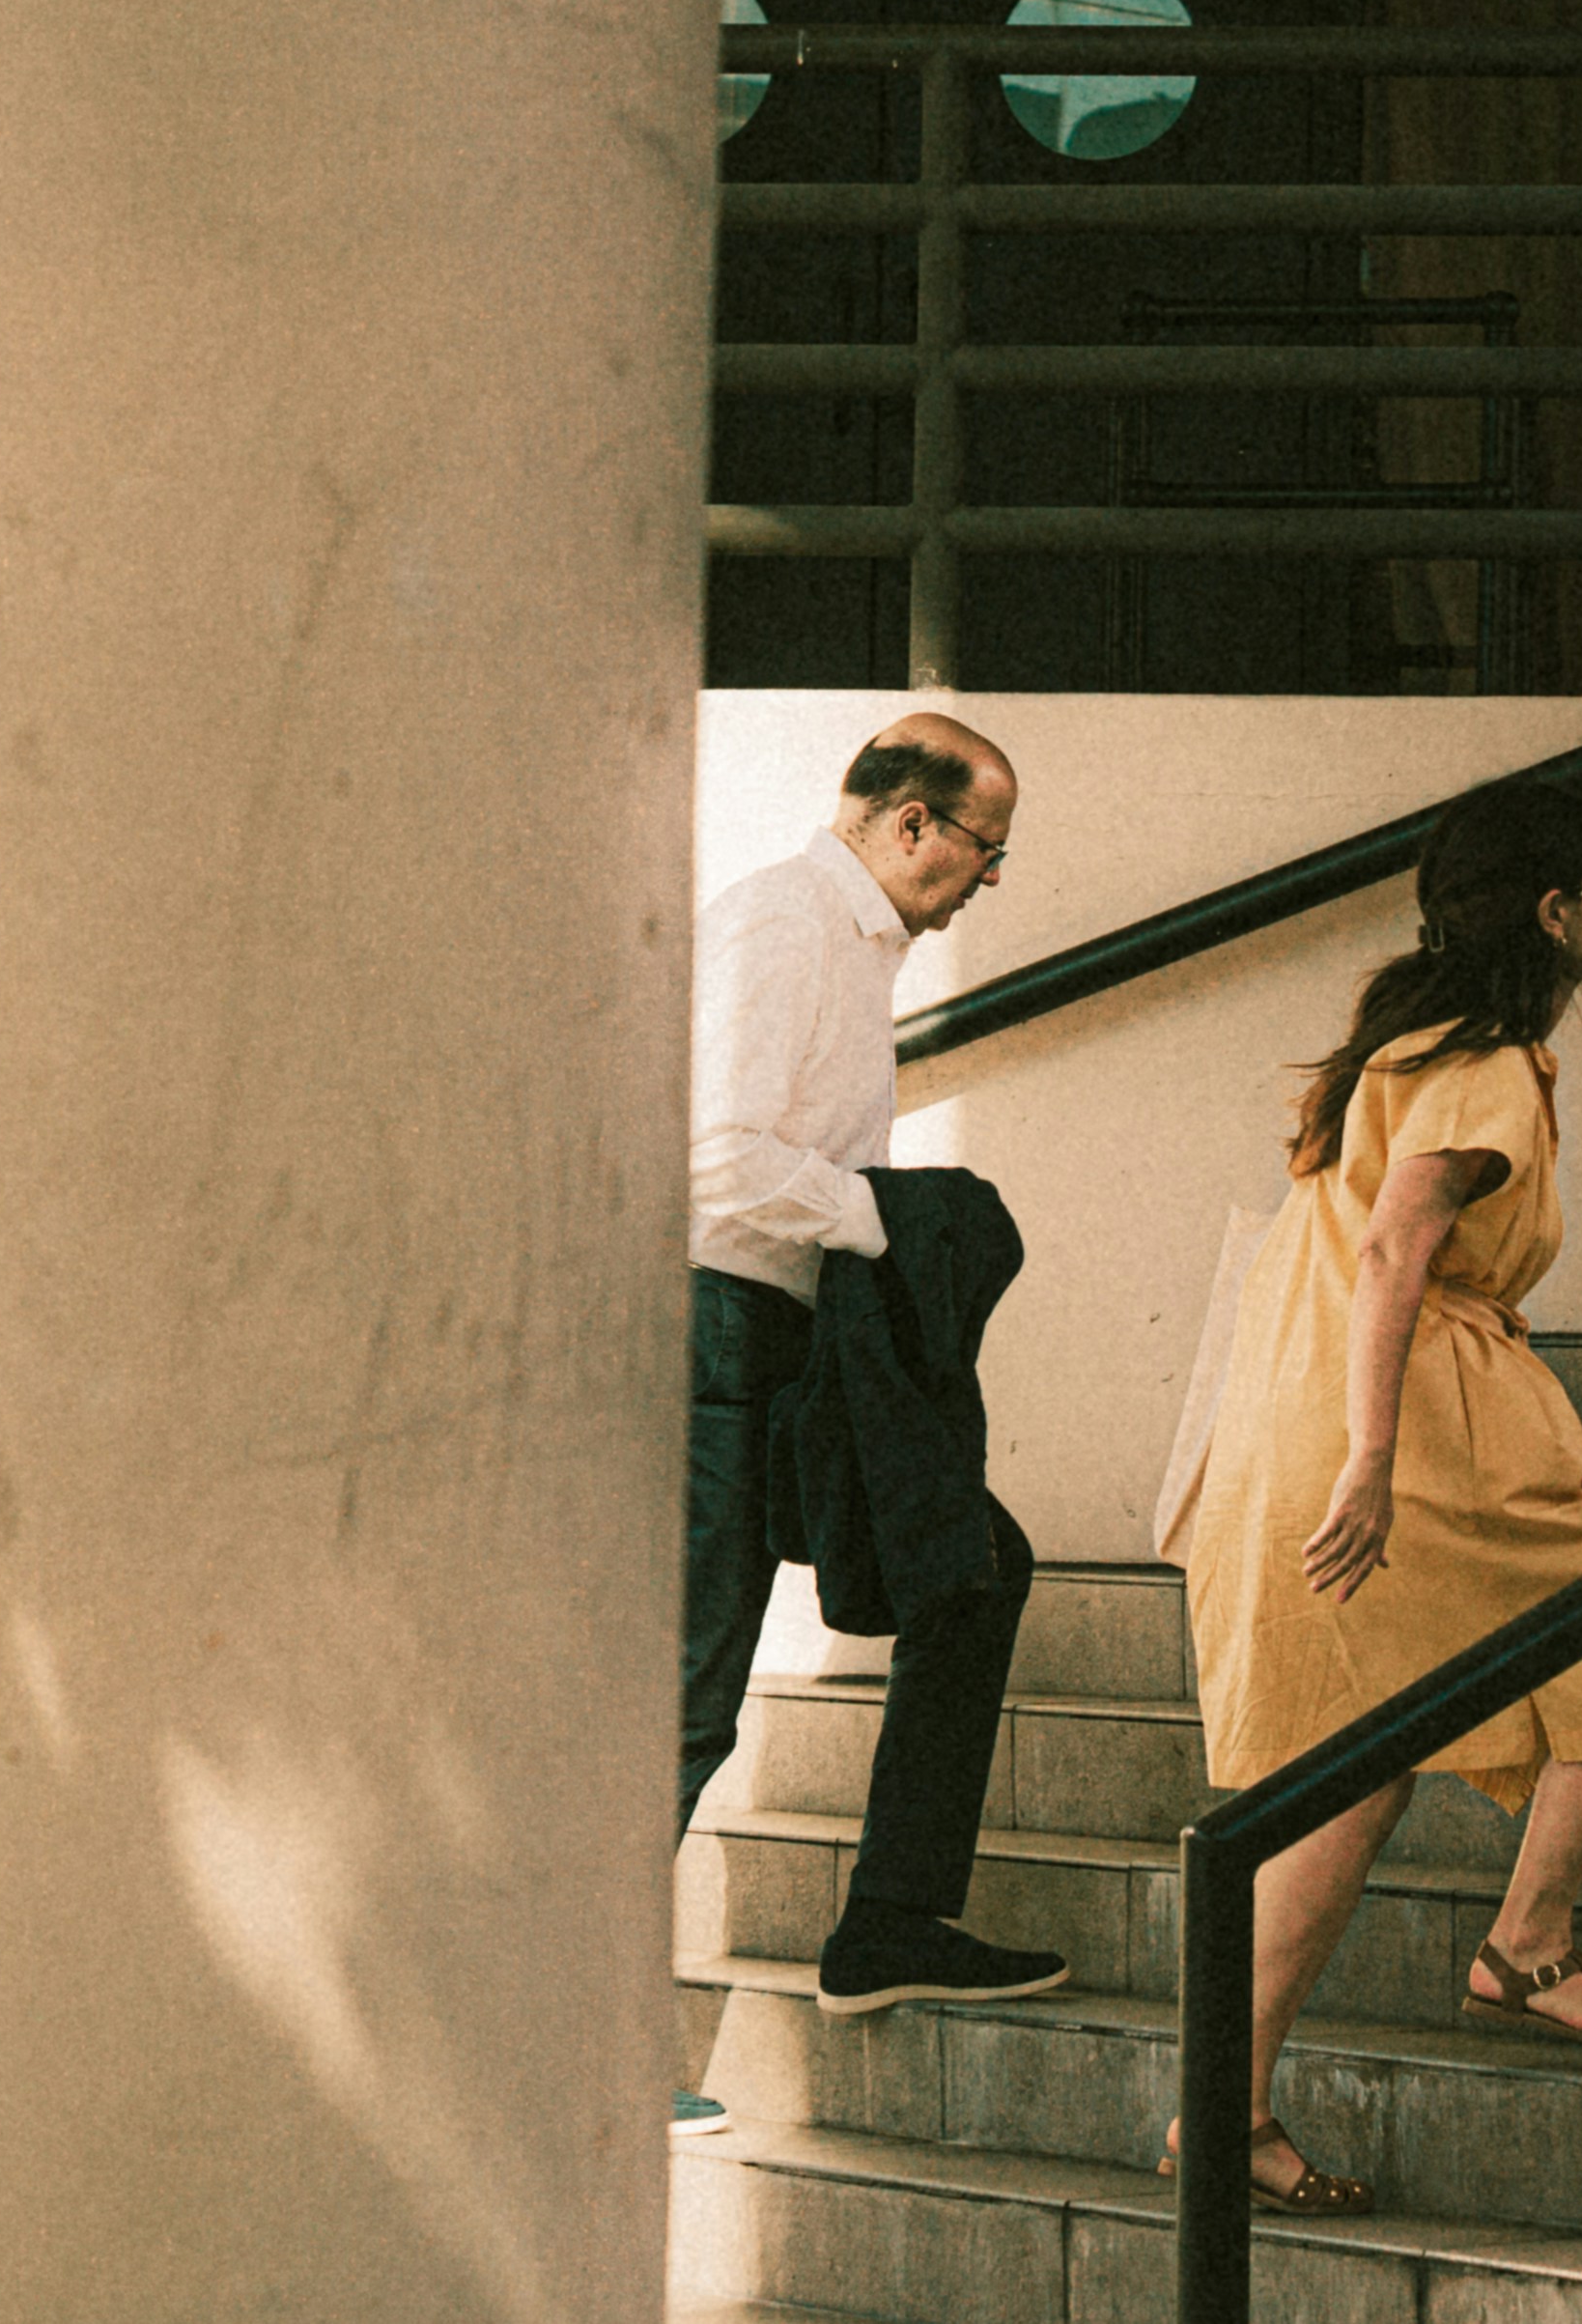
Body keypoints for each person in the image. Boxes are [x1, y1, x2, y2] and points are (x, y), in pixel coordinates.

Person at [1169, 780, 1582, 2216]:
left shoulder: (1406, 1042)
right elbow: (1392, 1257)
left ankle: (1231, 2114)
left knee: (1347, 1774)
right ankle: (1524, 1944)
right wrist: (1373, 1459)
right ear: (1551, 910)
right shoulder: (1484, 1062)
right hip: (1417, 1436)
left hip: (1313, 1405)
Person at [675, 713, 1065, 2140]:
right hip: (724, 1327)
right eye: (983, 847)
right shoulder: (779, 925)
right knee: (692, 1686)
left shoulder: (855, 943)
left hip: (799, 1333)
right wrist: (887, 1222)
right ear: (911, 823)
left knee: (973, 1565)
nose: (985, 877)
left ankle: (892, 1918)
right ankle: (586, 2045)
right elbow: (712, 1151)